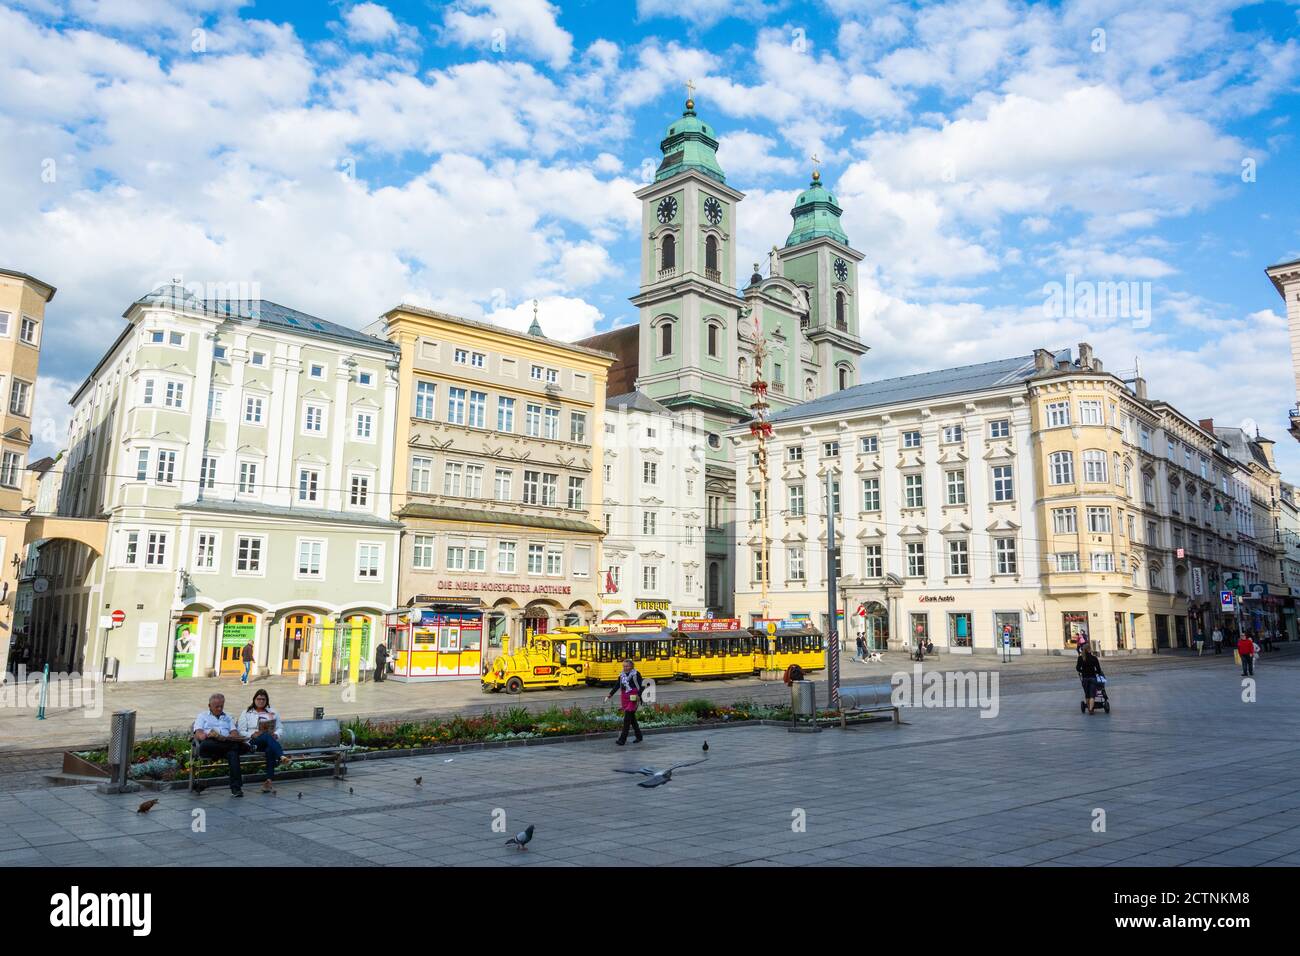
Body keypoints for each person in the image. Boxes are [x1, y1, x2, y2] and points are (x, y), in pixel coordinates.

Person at [193, 693, 248, 797]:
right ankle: (245, 747)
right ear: (209, 706)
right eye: (216, 707)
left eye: (221, 706)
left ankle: (236, 789)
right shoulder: (202, 716)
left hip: (225, 746)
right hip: (209, 745)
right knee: (235, 747)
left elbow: (234, 733)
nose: (219, 709)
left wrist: (230, 737)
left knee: (233, 753)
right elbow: (199, 733)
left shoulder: (227, 717)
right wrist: (207, 735)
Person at [237, 688, 285, 793]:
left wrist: (276, 734)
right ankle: (281, 756)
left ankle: (268, 782)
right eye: (258, 699)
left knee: (270, 749)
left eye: (263, 699)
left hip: (268, 742)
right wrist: (252, 734)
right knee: (266, 736)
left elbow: (280, 728)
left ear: (266, 701)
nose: (261, 701)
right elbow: (240, 731)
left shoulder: (273, 712)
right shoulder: (246, 713)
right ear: (254, 700)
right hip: (253, 742)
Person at [606, 659, 644, 745]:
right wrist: (610, 694)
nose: (625, 668)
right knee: (632, 719)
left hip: (634, 697)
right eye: (624, 666)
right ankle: (639, 736)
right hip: (625, 697)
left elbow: (642, 685)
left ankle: (622, 739)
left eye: (627, 666)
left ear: (631, 666)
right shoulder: (622, 675)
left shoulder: (636, 674)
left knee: (627, 718)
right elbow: (617, 685)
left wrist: (639, 695)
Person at [1075, 645, 1105, 714]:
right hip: (1093, 677)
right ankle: (1091, 709)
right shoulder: (1094, 658)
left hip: (1085, 678)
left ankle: (1089, 708)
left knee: (1087, 694)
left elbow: (1077, 668)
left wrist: (1082, 671)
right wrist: (1096, 672)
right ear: (1089, 650)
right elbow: (1098, 669)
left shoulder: (1080, 658)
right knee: (1092, 695)